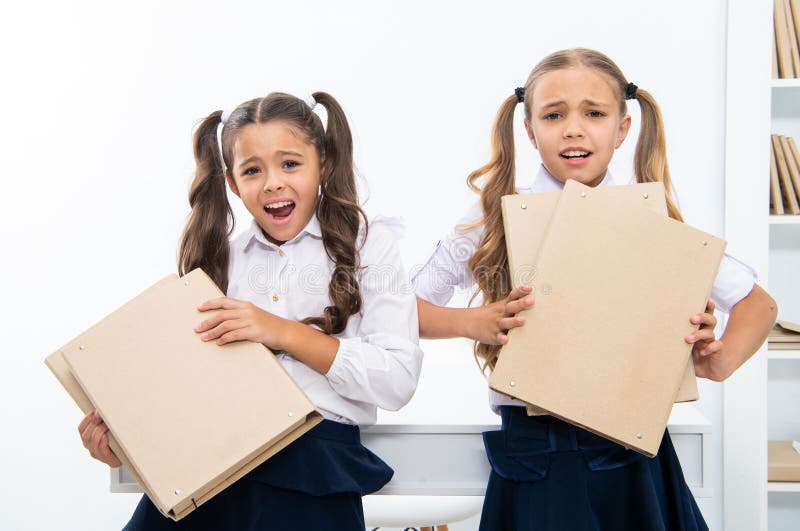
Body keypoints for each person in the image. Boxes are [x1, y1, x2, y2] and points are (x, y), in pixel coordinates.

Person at [413, 48, 777, 531]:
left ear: (622, 128)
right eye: (554, 114)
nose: (573, 128)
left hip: (631, 457)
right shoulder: (496, 218)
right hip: (535, 456)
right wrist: (472, 321)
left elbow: (760, 303)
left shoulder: (650, 221)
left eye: (594, 113)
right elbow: (402, 307)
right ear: (529, 129)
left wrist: (720, 358)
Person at [78, 91, 423, 530]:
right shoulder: (219, 260)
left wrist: (280, 332)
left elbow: (397, 380)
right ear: (233, 183)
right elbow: (185, 392)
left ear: (324, 163)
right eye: (253, 170)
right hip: (210, 472)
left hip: (313, 472)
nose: (273, 182)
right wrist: (125, 444)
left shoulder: (368, 247)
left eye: (290, 164)